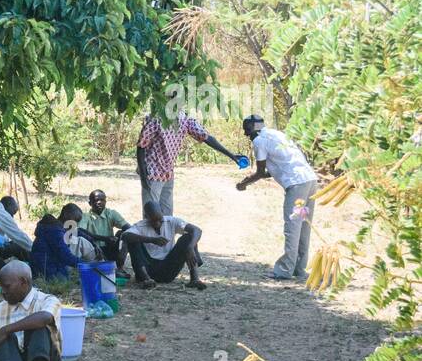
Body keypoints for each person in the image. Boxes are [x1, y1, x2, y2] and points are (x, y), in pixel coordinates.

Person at [235, 115, 319, 281]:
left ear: (252, 128)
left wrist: (244, 183)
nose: (248, 136)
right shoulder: (277, 134)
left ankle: (284, 270)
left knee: (292, 227)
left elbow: (260, 172)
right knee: (304, 226)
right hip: (310, 180)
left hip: (296, 185)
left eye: (248, 132)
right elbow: (274, 168)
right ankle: (299, 269)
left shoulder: (259, 141)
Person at [136, 113, 242, 214]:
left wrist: (231, 155)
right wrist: (143, 173)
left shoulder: (184, 119)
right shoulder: (158, 118)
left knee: (166, 216)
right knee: (151, 216)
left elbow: (206, 137)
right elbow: (141, 145)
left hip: (167, 174)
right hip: (152, 174)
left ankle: (165, 234)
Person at [122, 201, 206, 290]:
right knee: (132, 240)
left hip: (167, 271)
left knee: (189, 238)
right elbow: (125, 236)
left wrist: (190, 247)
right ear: (146, 216)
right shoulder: (140, 225)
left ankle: (194, 279)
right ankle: (146, 280)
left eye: (160, 220)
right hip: (146, 269)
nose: (158, 223)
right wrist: (152, 240)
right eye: (153, 221)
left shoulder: (171, 221)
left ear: (162, 213)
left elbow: (197, 230)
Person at [80, 190, 131, 274]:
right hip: (95, 250)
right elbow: (81, 231)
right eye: (96, 200)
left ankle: (119, 265)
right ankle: (112, 268)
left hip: (111, 248)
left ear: (105, 201)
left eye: (102, 200)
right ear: (90, 203)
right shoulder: (86, 217)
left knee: (123, 234)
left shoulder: (111, 213)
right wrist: (105, 239)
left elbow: (128, 227)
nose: (99, 202)